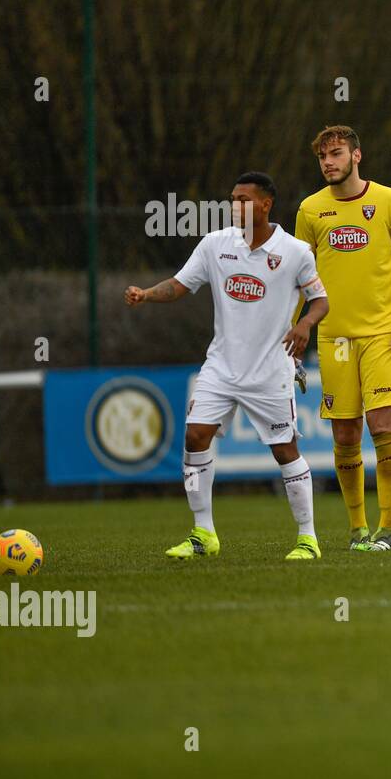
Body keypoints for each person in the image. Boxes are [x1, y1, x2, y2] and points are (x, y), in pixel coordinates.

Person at [124, 172, 328, 560]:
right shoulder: (215, 245)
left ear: (266, 205)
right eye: (232, 198)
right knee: (195, 436)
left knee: (285, 450)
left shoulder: (296, 251)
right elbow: (181, 285)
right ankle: (203, 533)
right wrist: (146, 294)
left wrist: (304, 324)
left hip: (270, 371)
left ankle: (307, 538)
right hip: (221, 366)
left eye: (244, 199)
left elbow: (320, 299)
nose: (235, 205)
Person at [294, 126, 391, 551]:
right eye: (322, 157)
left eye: (336, 154)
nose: (328, 162)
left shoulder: (387, 201)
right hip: (335, 338)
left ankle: (389, 527)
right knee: (345, 434)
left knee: (382, 422)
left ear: (357, 156)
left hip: (382, 335)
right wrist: (296, 329)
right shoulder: (310, 209)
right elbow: (299, 277)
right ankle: (357, 530)